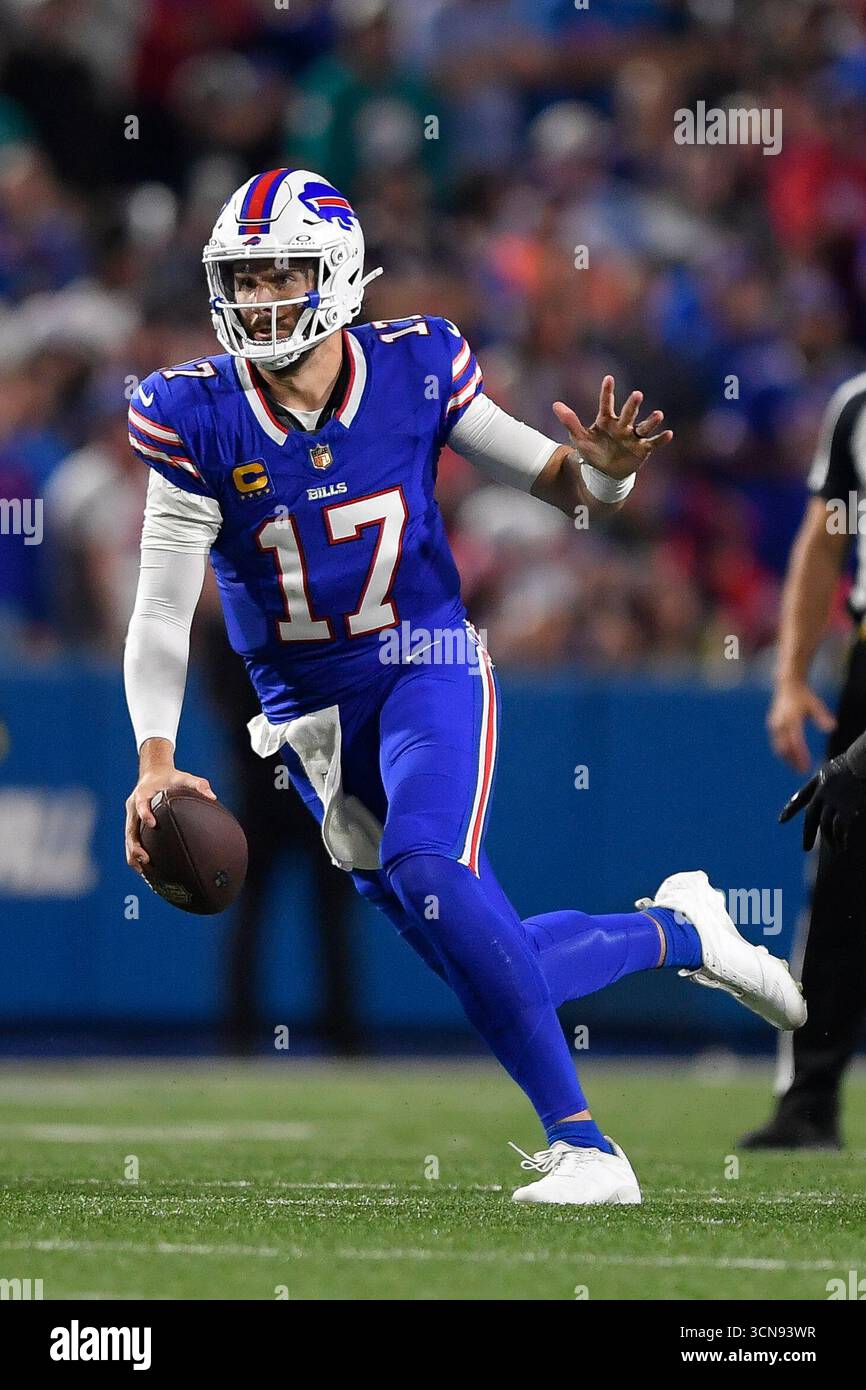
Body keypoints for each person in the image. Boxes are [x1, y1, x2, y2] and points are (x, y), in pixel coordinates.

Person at [123, 167, 805, 1205]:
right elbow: (162, 610)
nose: (261, 298)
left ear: (339, 275)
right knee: (477, 959)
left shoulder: (414, 368)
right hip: (308, 722)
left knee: (429, 864)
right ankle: (682, 931)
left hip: (425, 668)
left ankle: (586, 1147)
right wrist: (157, 761)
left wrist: (610, 473)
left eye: (283, 273)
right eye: (245, 278)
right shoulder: (192, 414)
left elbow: (570, 486)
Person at [742, 373, 866, 1152]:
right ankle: (810, 1096)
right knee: (844, 881)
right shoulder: (856, 405)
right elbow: (824, 541)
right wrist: (791, 676)